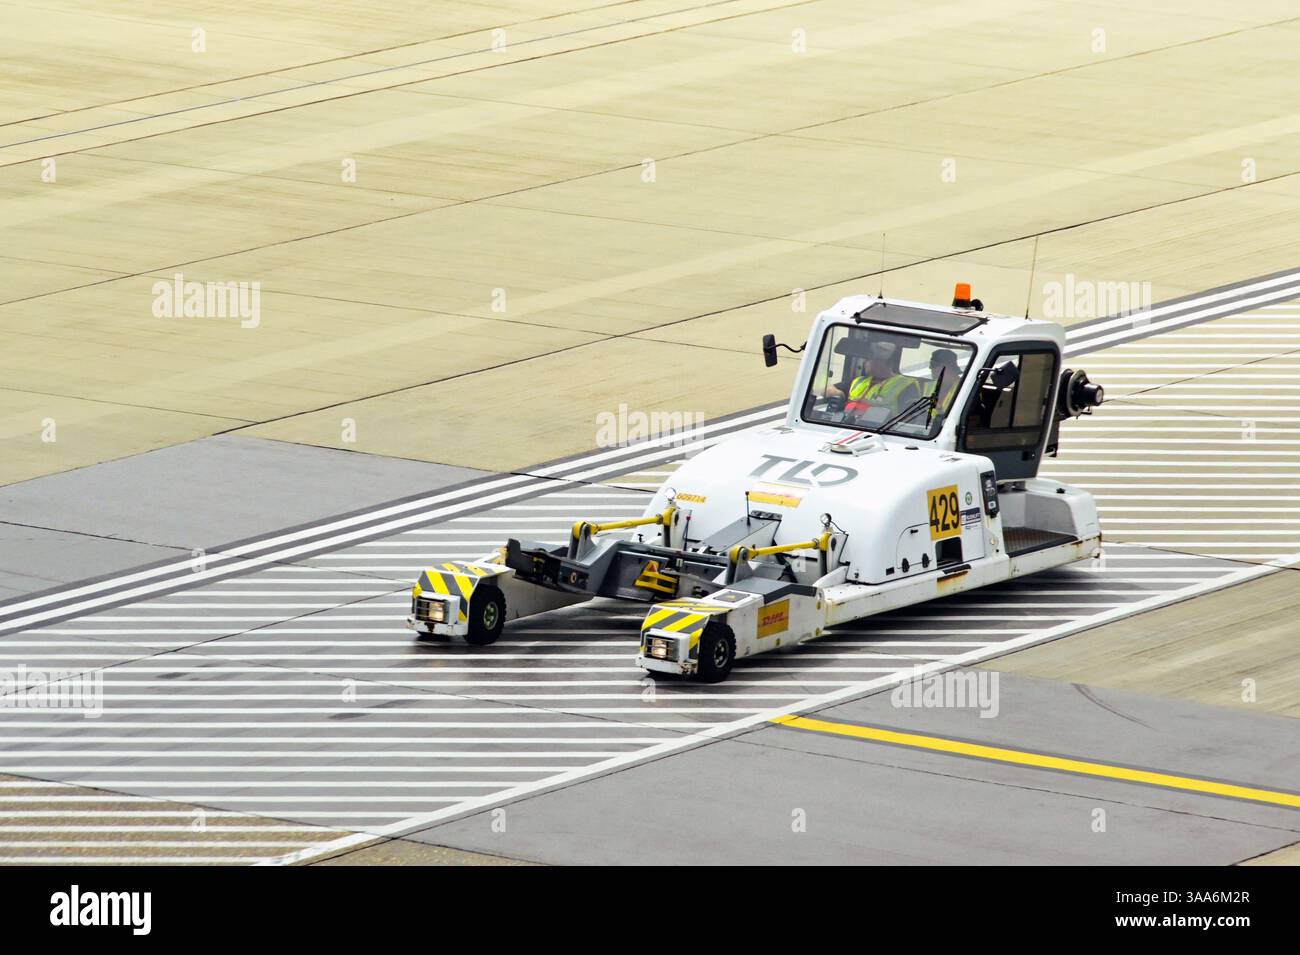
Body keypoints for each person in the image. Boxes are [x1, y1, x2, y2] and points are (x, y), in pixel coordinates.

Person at [836, 341, 922, 416]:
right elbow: (831, 390)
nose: (864, 362)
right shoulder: (859, 381)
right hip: (847, 425)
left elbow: (909, 417)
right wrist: (838, 394)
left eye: (869, 359)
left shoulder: (906, 385)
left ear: (883, 362)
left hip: (882, 430)